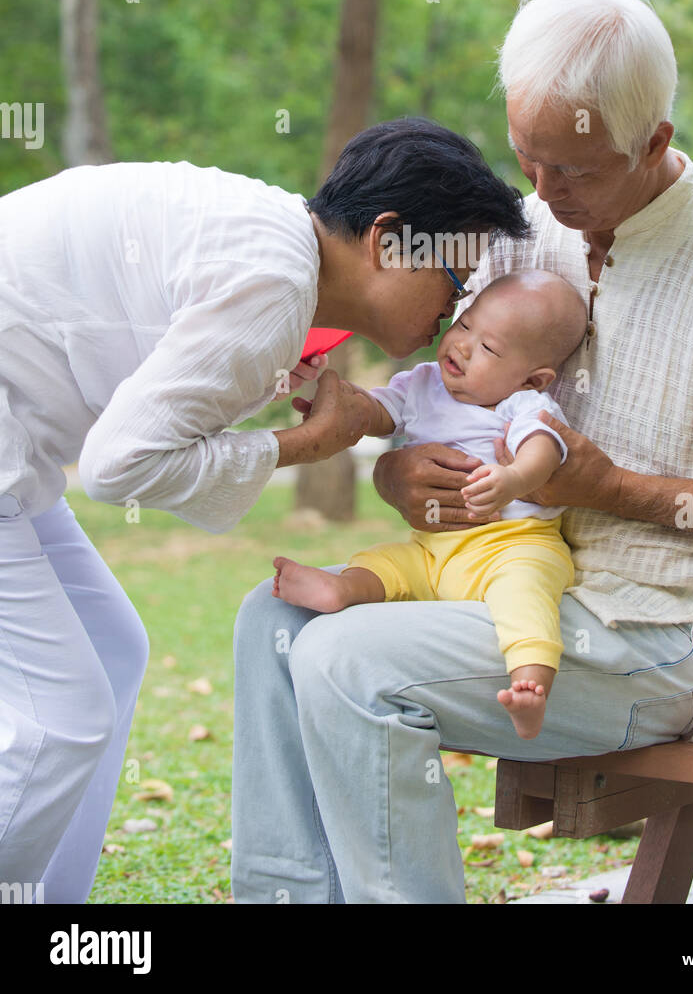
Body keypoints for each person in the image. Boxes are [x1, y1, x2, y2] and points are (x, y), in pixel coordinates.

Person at [231, 0, 693, 905]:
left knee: (345, 659)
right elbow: (429, 394)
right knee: (273, 623)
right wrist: (397, 474)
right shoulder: (522, 235)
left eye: (572, 168)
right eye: (527, 158)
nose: (542, 190)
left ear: (655, 141)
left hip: (656, 638)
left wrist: (615, 492)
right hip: (495, 591)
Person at [0, 117, 529, 902]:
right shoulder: (275, 284)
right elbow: (118, 467)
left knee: (114, 653)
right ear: (388, 240)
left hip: (17, 451)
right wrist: (300, 447)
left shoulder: (276, 243)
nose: (452, 315)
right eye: (452, 283)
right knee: (62, 719)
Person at [272, 270, 588, 739]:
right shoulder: (423, 384)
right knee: (387, 564)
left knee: (525, 593)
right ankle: (342, 591)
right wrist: (339, 410)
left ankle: (530, 681)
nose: (461, 346)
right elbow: (379, 411)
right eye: (464, 326)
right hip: (432, 550)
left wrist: (513, 478)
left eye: (489, 349)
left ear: (531, 378)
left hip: (511, 546)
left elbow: (544, 448)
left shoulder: (521, 407)